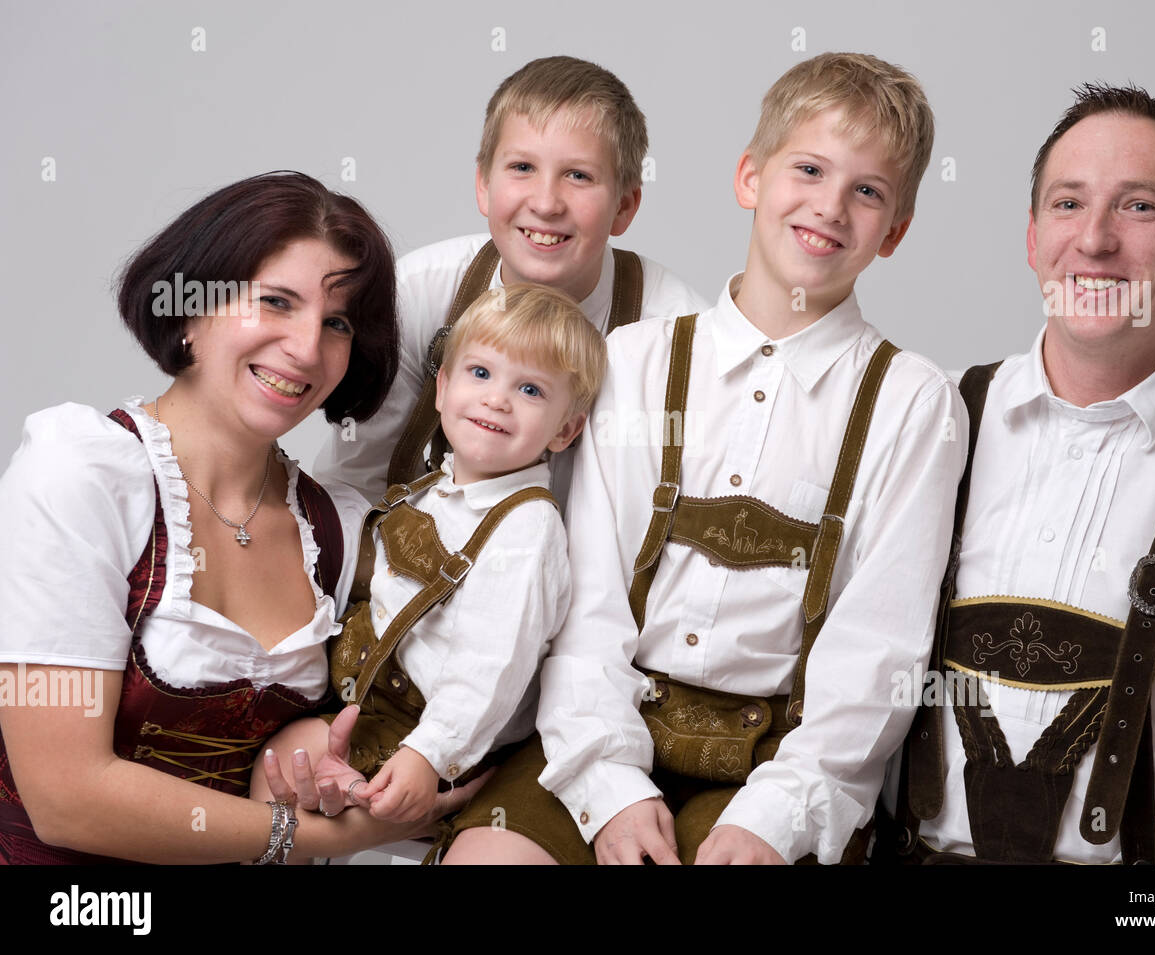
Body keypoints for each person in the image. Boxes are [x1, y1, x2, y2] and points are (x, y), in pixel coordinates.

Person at [444, 52, 967, 865]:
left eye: (867, 191)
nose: (829, 205)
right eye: (808, 169)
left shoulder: (913, 402)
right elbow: (587, 604)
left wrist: (778, 815)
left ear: (894, 230)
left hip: (775, 765)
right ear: (750, 177)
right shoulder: (637, 358)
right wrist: (610, 782)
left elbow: (878, 653)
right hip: (605, 730)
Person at [0, 171, 480, 864]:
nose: (306, 348)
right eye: (276, 302)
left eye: (336, 322)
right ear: (192, 310)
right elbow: (65, 796)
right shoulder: (82, 477)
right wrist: (321, 837)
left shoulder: (339, 531)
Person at [881, 84, 1155, 864]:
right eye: (1069, 204)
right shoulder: (928, 422)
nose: (1096, 240)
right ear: (1033, 238)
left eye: (1140, 207)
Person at [250, 284, 605, 860]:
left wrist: (429, 754)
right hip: (370, 700)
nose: (497, 400)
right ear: (442, 390)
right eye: (481, 373)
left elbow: (492, 665)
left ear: (565, 431)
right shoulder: (431, 491)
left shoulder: (526, 527)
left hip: (437, 727)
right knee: (282, 767)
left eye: (531, 389)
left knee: (288, 778)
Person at [314, 55, 708, 509]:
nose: (545, 203)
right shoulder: (417, 295)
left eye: (578, 176)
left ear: (624, 206)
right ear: (483, 183)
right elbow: (352, 485)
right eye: (522, 167)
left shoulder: (679, 335)